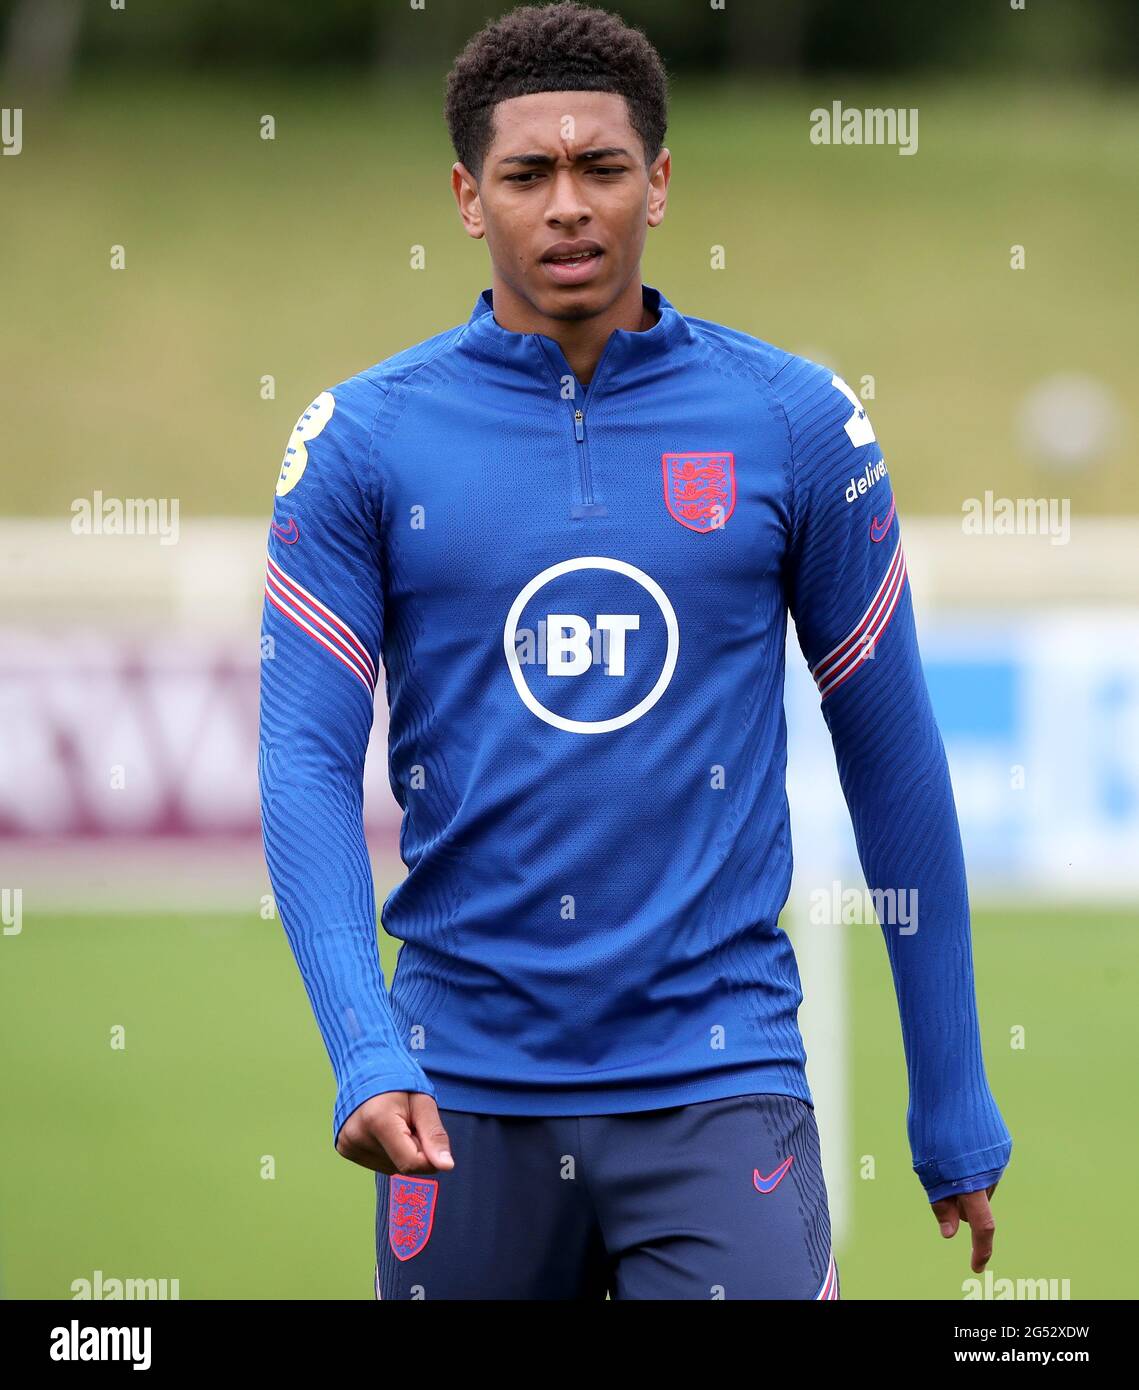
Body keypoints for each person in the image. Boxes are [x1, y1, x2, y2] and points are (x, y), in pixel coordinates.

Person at [258, 0, 1010, 1300]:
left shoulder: (794, 423)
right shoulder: (363, 441)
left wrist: (952, 1090)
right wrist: (364, 1042)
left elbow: (893, 763)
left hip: (721, 1079)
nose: (567, 205)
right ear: (464, 193)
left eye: (601, 168)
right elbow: (302, 761)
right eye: (527, 173)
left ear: (659, 183)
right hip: (462, 1089)